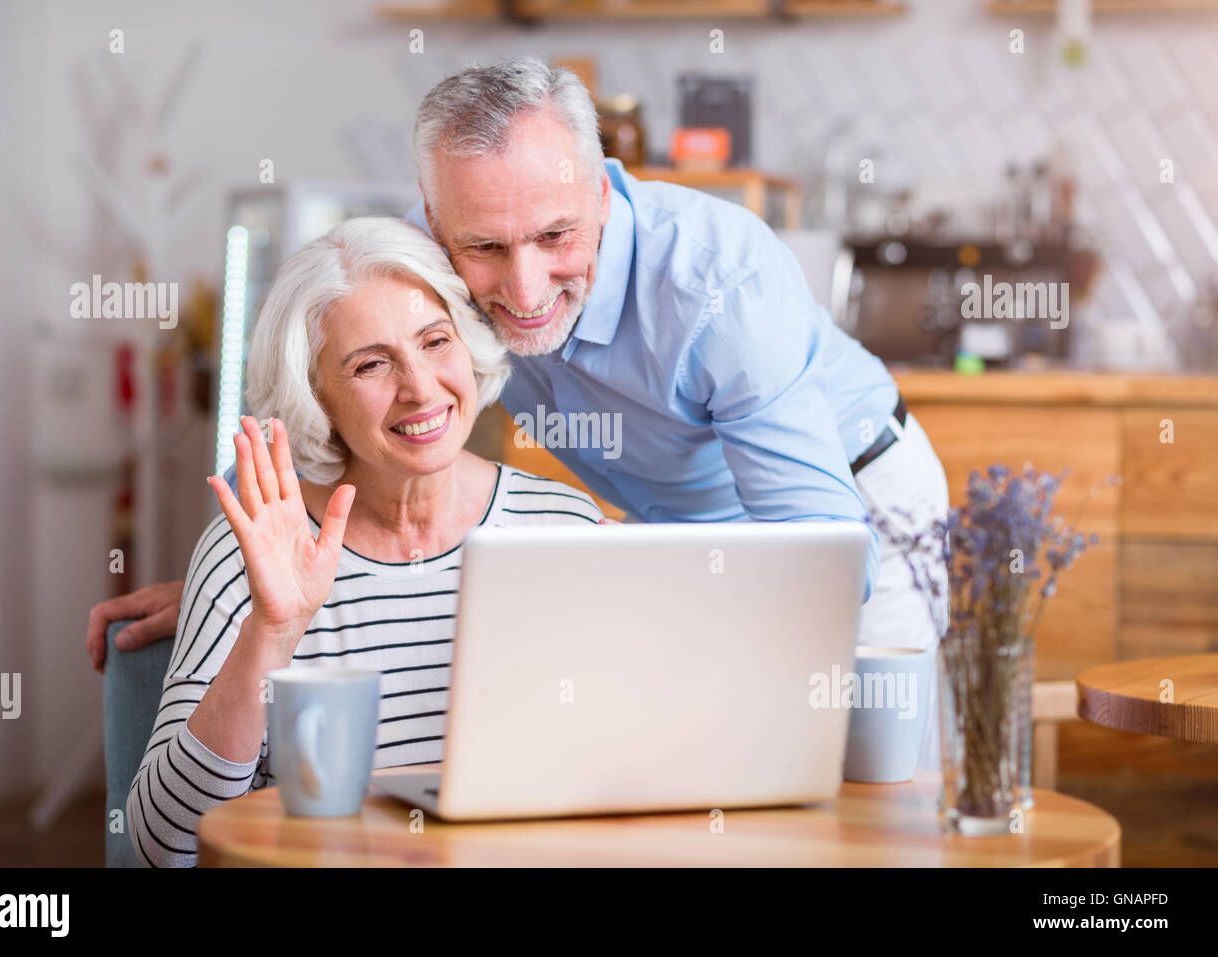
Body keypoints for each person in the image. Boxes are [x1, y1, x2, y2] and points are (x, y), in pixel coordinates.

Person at [93, 57, 947, 769]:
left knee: (858, 783)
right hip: (670, 528)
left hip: (857, 503)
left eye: (555, 237)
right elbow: (305, 389)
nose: (526, 291)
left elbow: (826, 562)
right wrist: (240, 580)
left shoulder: (722, 284)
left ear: (606, 196)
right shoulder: (428, 261)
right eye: (486, 249)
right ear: (436, 223)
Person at [125, 217, 604, 867]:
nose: (420, 387)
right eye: (371, 363)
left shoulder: (565, 529)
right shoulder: (252, 550)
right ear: (315, 395)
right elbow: (163, 846)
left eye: (435, 341)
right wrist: (272, 630)